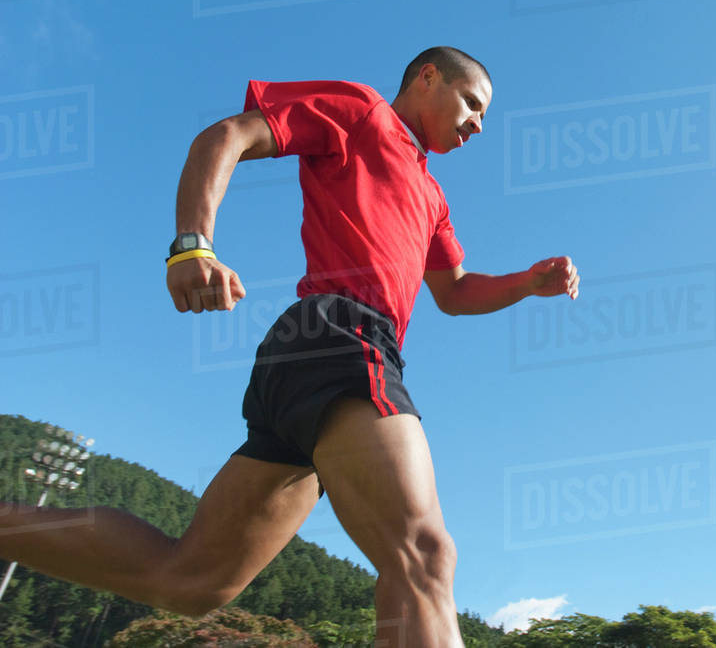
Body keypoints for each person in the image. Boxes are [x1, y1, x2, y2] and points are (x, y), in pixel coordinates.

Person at [0, 46, 580, 648]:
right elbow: (226, 136)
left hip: (320, 364)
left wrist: (527, 284)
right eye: (471, 103)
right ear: (427, 78)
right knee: (424, 555)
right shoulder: (363, 112)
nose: (478, 124)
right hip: (342, 334)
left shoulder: (433, 198)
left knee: (193, 579)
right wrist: (193, 246)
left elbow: (454, 292)